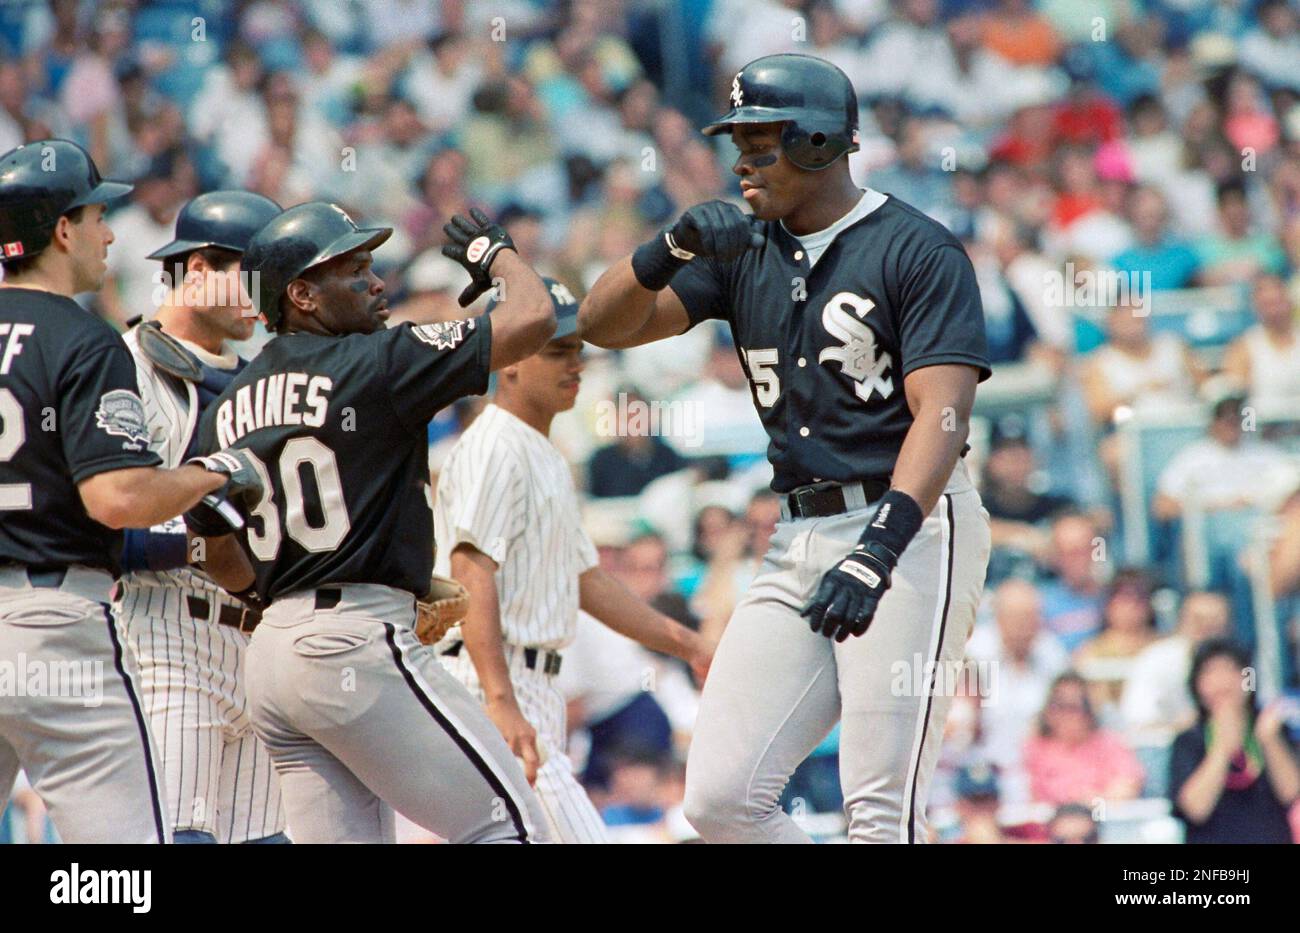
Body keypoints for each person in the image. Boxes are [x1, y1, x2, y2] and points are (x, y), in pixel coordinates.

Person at [578, 53, 993, 843]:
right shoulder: (744, 249)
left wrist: (880, 549)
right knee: (720, 799)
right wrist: (666, 247)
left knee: (880, 809)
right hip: (798, 531)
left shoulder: (915, 248)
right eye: (737, 141)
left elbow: (942, 416)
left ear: (816, 144)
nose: (739, 160)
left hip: (912, 527)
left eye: (759, 142)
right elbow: (602, 325)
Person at [190, 202, 556, 843]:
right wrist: (497, 254)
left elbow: (213, 549)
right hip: (354, 639)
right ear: (301, 293)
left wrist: (282, 595)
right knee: (510, 827)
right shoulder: (377, 362)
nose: (377, 282)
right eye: (354, 270)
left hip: (273, 654)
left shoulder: (225, 406)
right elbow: (534, 319)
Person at [0, 139, 264, 843]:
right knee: (126, 869)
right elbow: (118, 500)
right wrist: (216, 477)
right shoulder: (87, 341)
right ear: (62, 229)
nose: (110, 231)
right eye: (95, 215)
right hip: (61, 620)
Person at [433, 278, 712, 843]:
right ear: (507, 361)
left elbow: (585, 581)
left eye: (577, 350)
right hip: (494, 679)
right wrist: (500, 700)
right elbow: (471, 572)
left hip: (525, 685)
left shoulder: (543, 453)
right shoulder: (496, 446)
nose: (576, 364)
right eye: (557, 350)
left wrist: (685, 643)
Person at [113, 190, 289, 844]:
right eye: (250, 275)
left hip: (252, 642)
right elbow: (95, 523)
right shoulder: (123, 367)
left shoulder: (260, 380)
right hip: (164, 637)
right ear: (195, 269)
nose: (260, 297)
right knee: (175, 838)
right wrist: (198, 544)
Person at [1170, 639, 1300, 843]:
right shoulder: (1188, 740)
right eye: (1210, 672)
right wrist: (1222, 748)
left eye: (1232, 671)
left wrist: (1270, 741)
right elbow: (1195, 809)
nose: (1223, 681)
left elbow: (1291, 794)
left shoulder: (1271, 729)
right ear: (1196, 684)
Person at [1022, 672, 1144, 807]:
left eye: (1074, 707)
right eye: (1059, 706)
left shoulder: (1110, 743)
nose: (1067, 715)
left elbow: (1127, 785)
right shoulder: (1033, 748)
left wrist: (1093, 802)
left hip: (1100, 820)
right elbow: (1024, 795)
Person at [1120, 591, 1231, 734]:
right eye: (1199, 621)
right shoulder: (1154, 660)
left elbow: (1253, 699)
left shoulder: (1244, 664)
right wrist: (1183, 727)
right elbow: (1138, 721)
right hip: (1170, 746)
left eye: (1215, 623)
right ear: (1182, 622)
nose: (1207, 629)